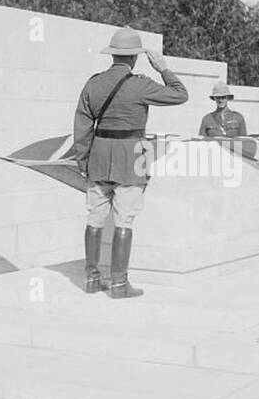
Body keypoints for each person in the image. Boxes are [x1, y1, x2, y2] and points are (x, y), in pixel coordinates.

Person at [73, 27, 189, 298]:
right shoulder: (141, 84)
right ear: (135, 57)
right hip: (131, 157)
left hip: (99, 158)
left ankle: (91, 279)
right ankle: (118, 284)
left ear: (112, 54)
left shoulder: (93, 83)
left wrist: (83, 160)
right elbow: (180, 94)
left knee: (94, 217)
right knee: (124, 219)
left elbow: (82, 125)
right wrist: (163, 68)